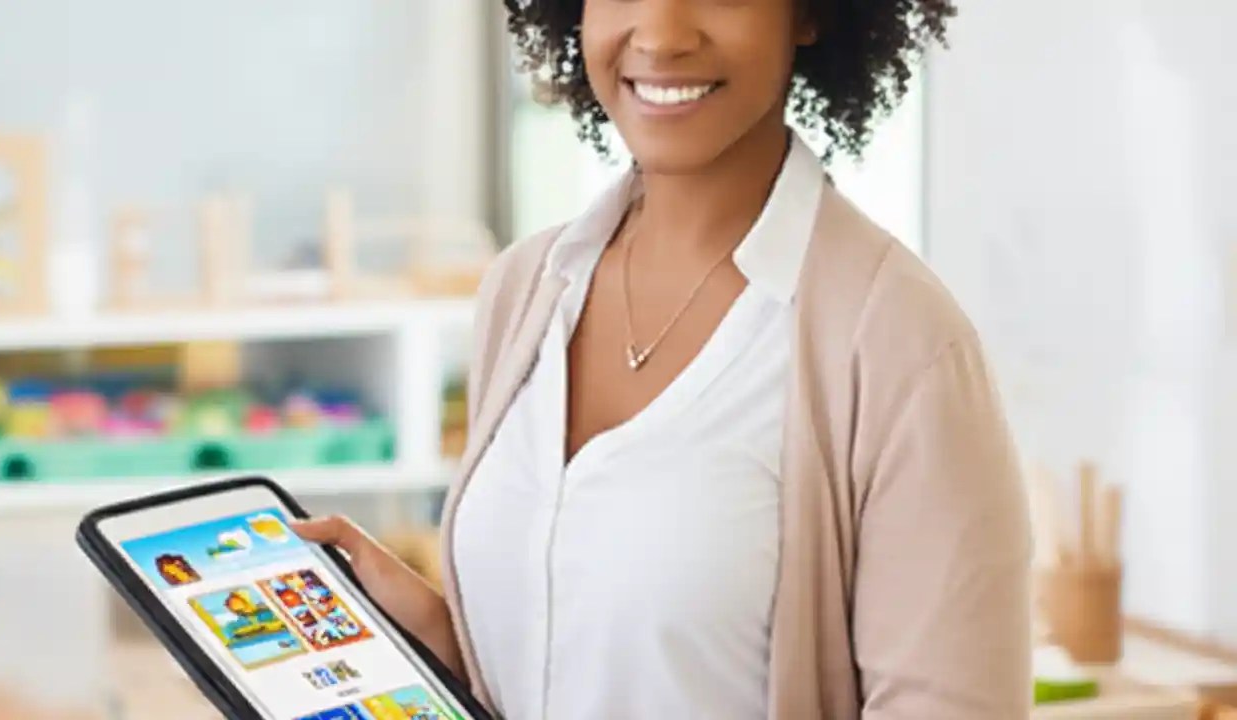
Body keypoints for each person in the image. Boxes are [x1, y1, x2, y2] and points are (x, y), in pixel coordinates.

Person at [295, 0, 1033, 717]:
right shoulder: (526, 288)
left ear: (809, 13)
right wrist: (429, 640)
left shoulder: (902, 341)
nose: (662, 32)